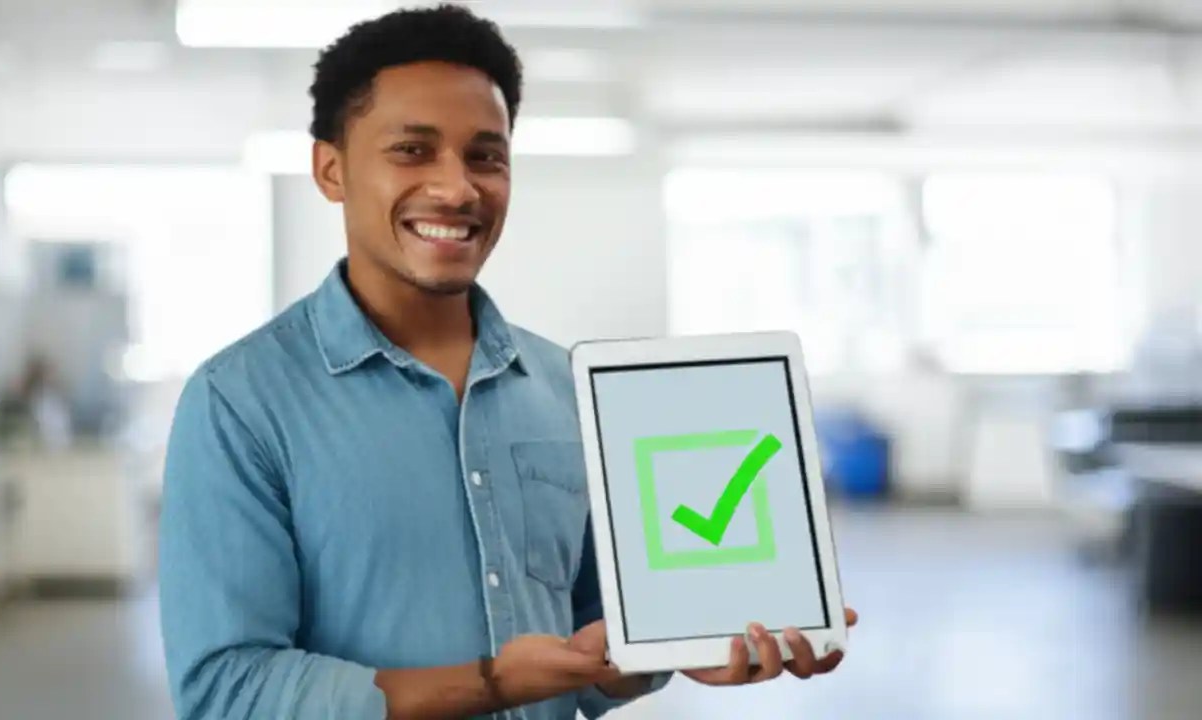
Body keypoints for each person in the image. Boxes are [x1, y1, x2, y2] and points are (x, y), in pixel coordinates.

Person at [158, 5, 857, 719]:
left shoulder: (567, 388)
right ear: (330, 169)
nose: (458, 187)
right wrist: (490, 681)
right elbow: (227, 692)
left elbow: (595, 643)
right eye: (412, 150)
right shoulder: (239, 401)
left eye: (486, 156)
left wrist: (672, 648)